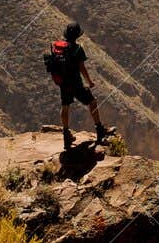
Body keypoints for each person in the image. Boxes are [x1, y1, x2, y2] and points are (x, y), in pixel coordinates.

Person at [48, 22, 113, 152]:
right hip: (76, 84)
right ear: (77, 35)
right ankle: (100, 132)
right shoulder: (77, 49)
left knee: (65, 106)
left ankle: (66, 136)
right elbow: (82, 68)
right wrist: (90, 82)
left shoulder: (57, 47)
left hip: (63, 84)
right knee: (92, 102)